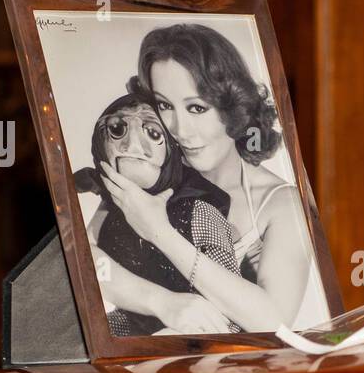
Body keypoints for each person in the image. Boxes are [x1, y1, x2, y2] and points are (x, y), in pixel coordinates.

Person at [98, 23, 313, 332]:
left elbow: (273, 321)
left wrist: (160, 233)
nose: (181, 130)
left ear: (234, 106)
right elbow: (85, 258)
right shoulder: (152, 174)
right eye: (165, 106)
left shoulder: (283, 203)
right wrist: (162, 303)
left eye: (197, 107)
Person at [76, 89, 240, 336]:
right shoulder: (108, 211)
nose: (133, 145)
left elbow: (231, 308)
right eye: (118, 129)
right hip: (133, 330)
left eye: (153, 133)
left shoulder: (197, 211)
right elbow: (84, 259)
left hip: (199, 333)